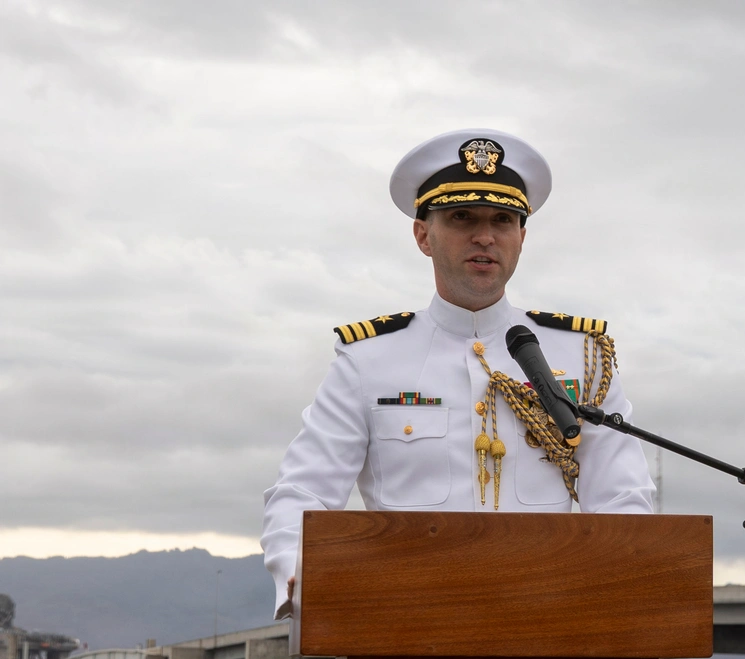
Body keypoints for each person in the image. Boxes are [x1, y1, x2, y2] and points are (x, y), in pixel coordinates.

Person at [262, 129, 654, 617]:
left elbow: (622, 499)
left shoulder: (581, 358)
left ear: (522, 238)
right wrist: (302, 570)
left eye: (503, 220)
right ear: (423, 235)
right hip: (404, 624)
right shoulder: (368, 362)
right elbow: (304, 490)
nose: (485, 236)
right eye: (462, 217)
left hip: (549, 619)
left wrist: (625, 591)